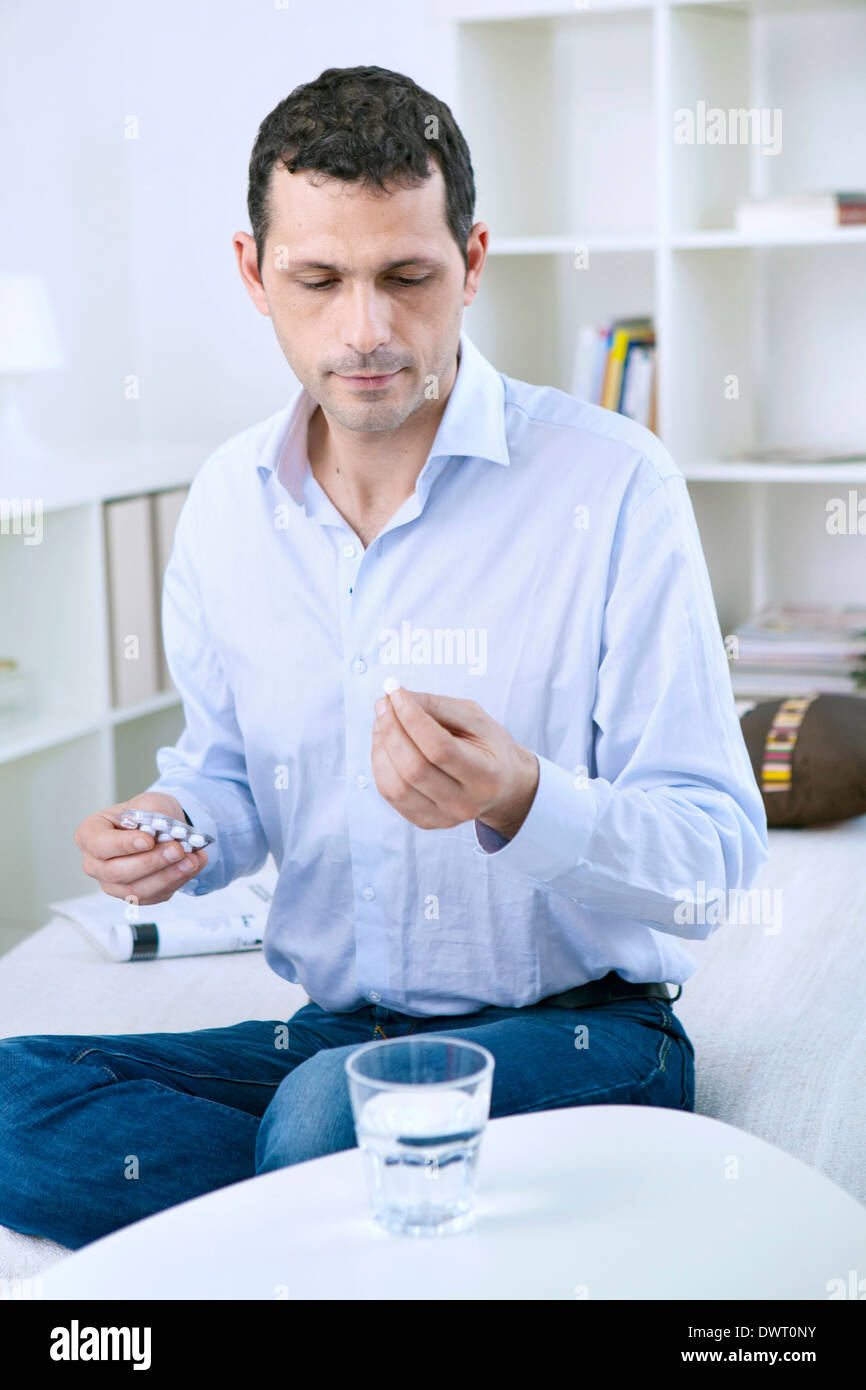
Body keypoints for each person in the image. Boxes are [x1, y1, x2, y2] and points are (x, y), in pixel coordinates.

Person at [0, 66, 768, 1251]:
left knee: (321, 1125)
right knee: (20, 1095)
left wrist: (522, 798)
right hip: (328, 1035)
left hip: (584, 1033)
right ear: (255, 275)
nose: (365, 329)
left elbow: (713, 859)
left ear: (470, 261)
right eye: (318, 280)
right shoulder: (224, 506)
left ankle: (314, 1198)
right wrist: (175, 826)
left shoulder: (615, 487)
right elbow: (234, 783)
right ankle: (345, 1213)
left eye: (407, 277)